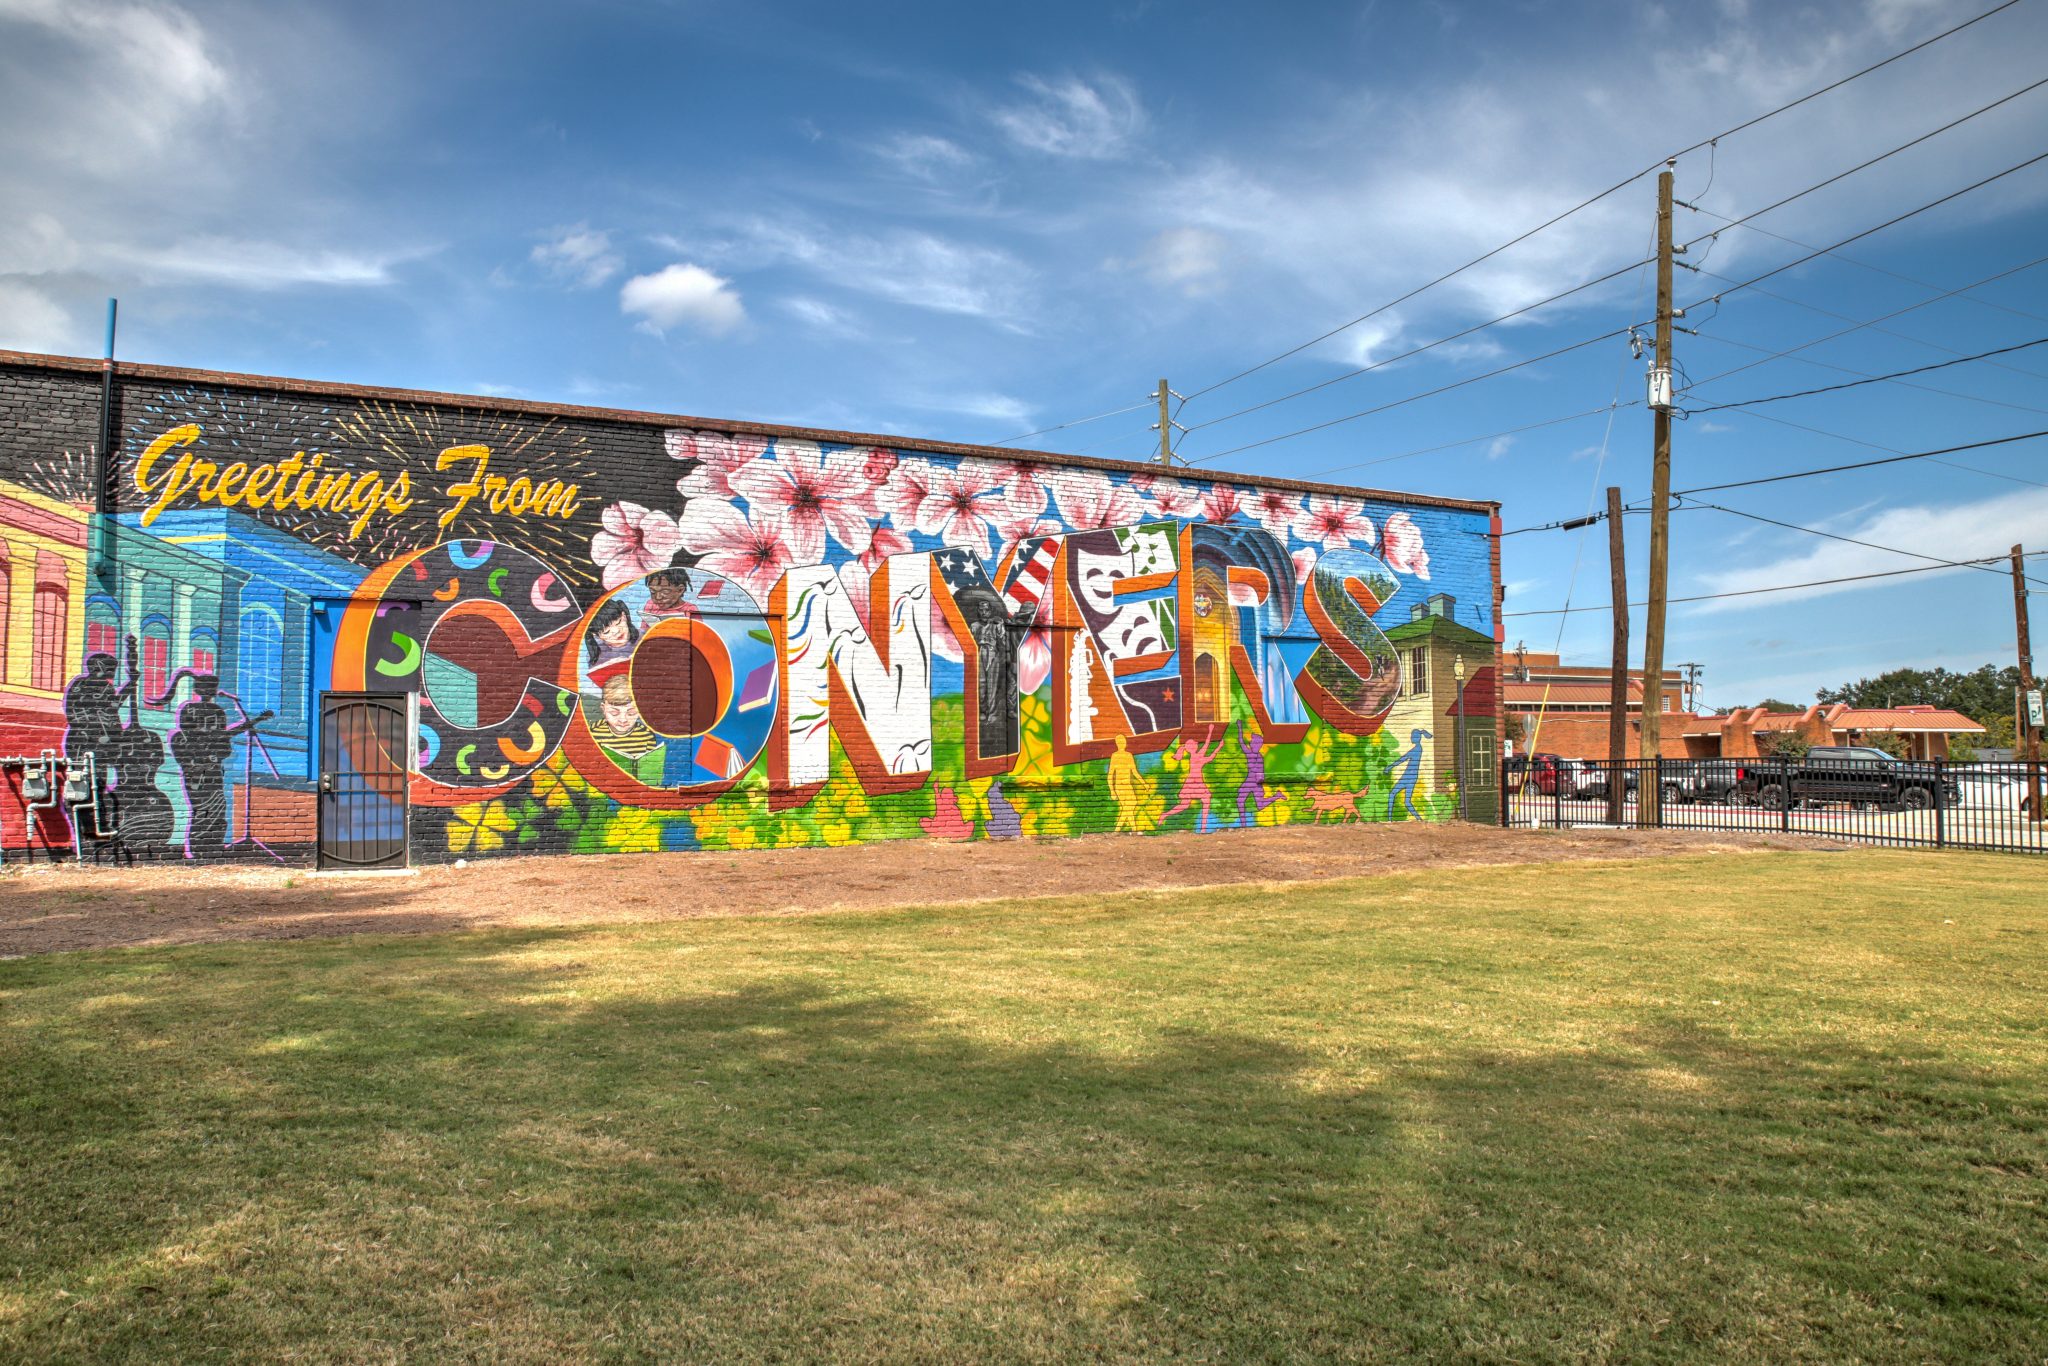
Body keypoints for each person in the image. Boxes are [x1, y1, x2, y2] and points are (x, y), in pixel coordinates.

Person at [585, 598, 639, 670]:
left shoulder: (646, 636)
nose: (616, 631)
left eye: (619, 622)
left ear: (624, 616)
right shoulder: (597, 656)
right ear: (595, 635)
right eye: (607, 632)